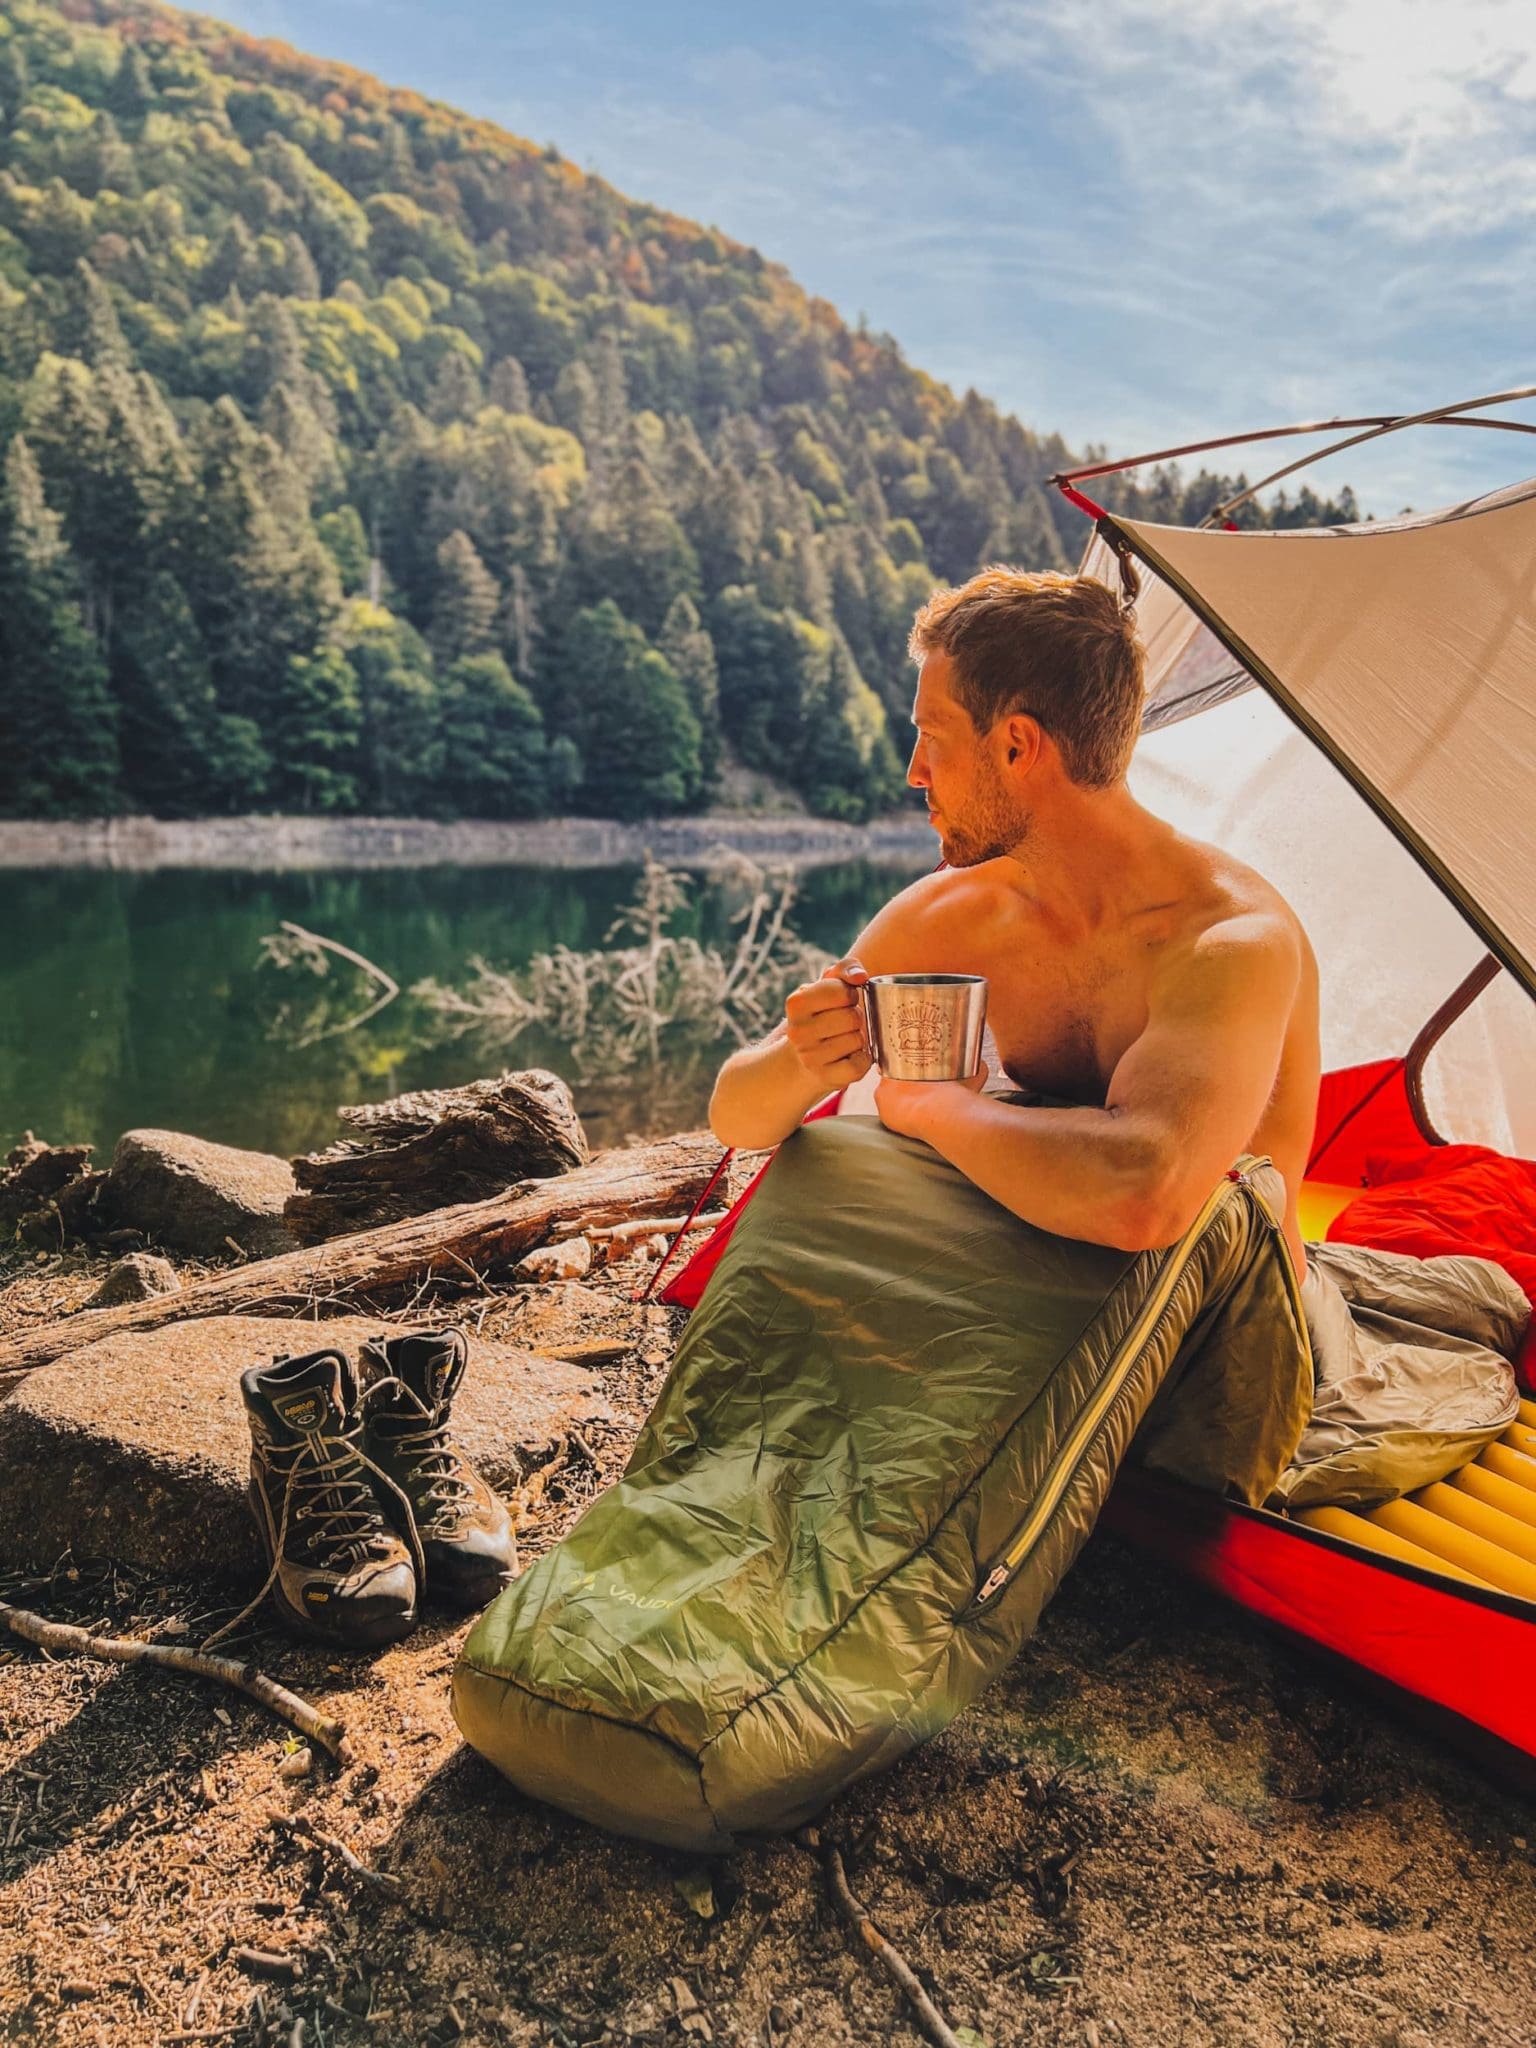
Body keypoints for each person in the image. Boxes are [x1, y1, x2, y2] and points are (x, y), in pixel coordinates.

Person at [709, 567, 1321, 1277]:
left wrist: (932, 1109)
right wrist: (799, 1061)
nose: (914, 772)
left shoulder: (1228, 940)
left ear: (1015, 746)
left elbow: (1145, 1198)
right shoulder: (957, 912)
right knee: (815, 1179)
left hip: (1221, 1317)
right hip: (1042, 1292)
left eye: (931, 737)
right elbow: (736, 1116)